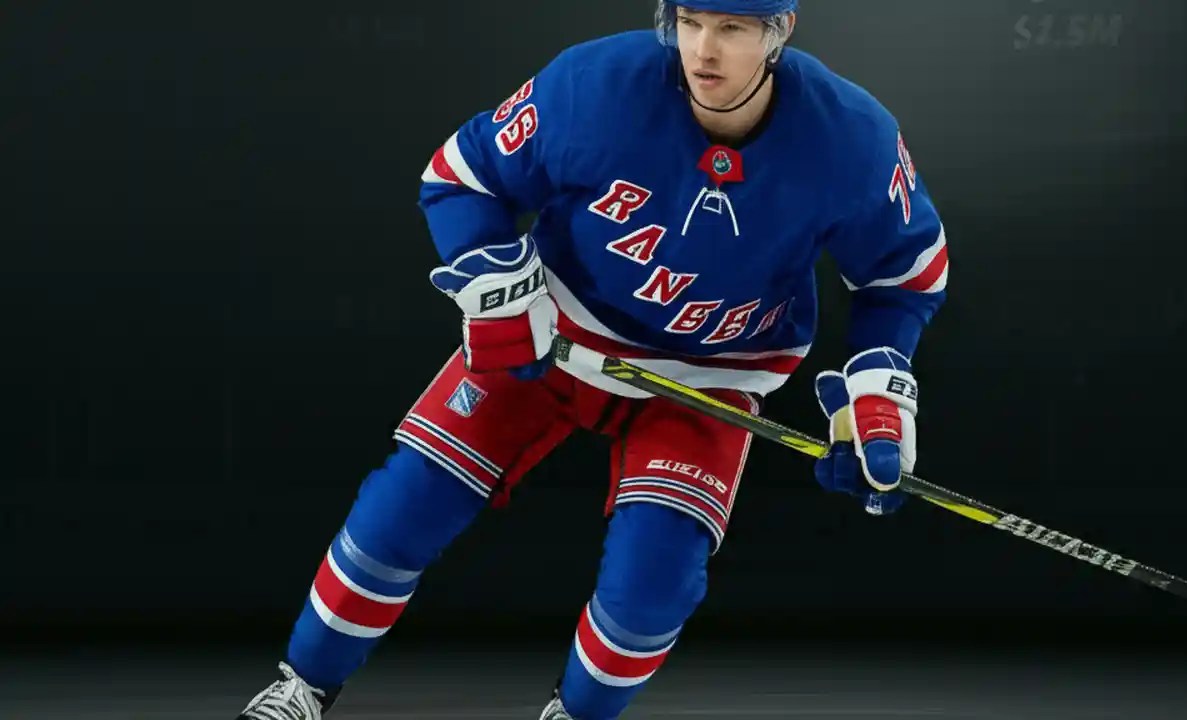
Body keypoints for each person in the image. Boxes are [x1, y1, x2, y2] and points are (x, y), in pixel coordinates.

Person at [234, 0, 948, 718]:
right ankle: (304, 685)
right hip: (554, 337)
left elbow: (903, 277)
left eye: (732, 28)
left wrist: (876, 392)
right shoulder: (595, 84)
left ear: (780, 31)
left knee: (653, 587)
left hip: (710, 375)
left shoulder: (852, 138)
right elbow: (462, 175)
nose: (703, 50)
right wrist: (495, 284)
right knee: (400, 510)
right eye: (690, 21)